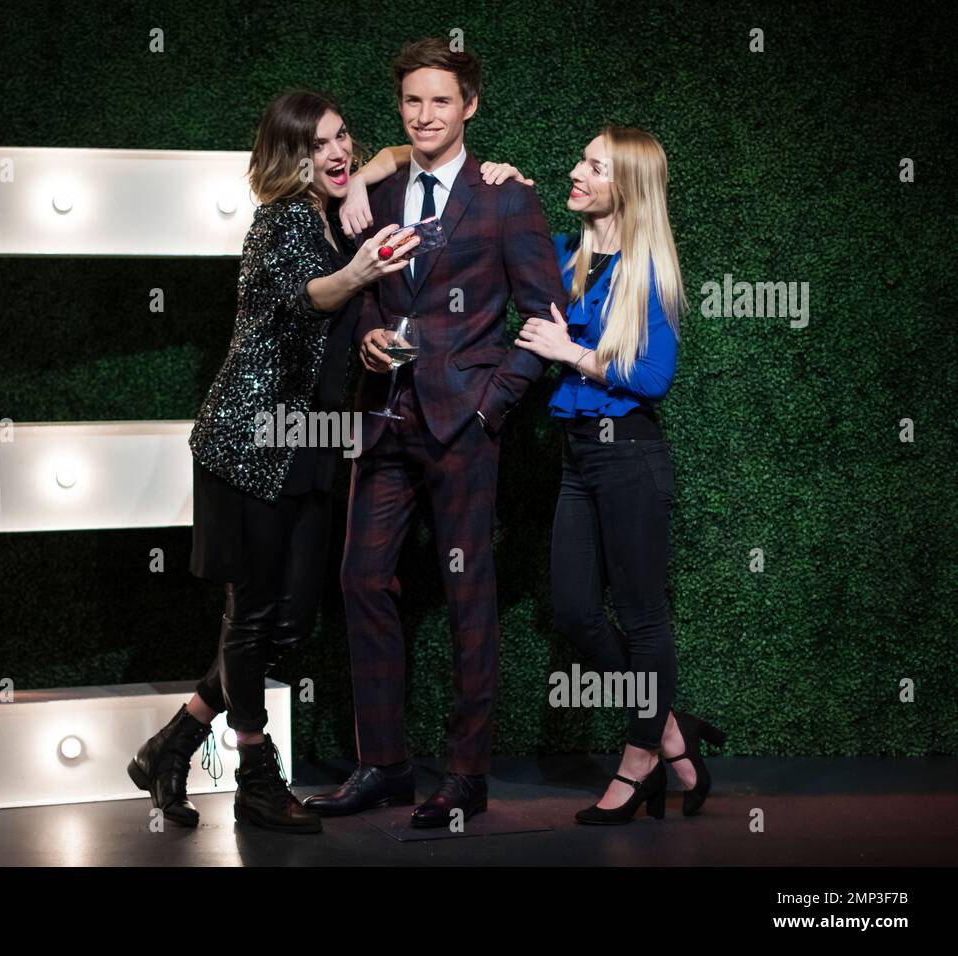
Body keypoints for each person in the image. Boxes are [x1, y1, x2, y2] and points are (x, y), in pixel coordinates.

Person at [126, 90, 419, 834]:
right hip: (251, 441)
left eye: (343, 136)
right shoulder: (281, 221)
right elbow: (303, 300)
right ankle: (257, 774)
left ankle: (172, 743)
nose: (339, 152)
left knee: (289, 624)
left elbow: (391, 155)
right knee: (252, 616)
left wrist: (462, 164)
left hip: (311, 443)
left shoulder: (332, 206)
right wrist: (361, 272)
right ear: (290, 157)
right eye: (319, 144)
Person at [302, 38, 567, 828]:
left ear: (470, 107)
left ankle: (465, 773)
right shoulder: (375, 196)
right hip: (385, 417)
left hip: (464, 427)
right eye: (413, 101)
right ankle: (383, 765)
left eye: (441, 101)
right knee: (358, 579)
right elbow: (362, 298)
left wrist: (492, 407)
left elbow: (545, 320)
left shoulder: (505, 197)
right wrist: (366, 341)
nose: (425, 115)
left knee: (467, 598)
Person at [507, 125, 726, 823]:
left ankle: (637, 766)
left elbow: (653, 376)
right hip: (577, 456)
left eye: (594, 166)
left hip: (630, 457)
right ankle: (670, 734)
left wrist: (569, 352)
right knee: (572, 610)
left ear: (624, 185)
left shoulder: (648, 267)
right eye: (581, 159)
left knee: (641, 617)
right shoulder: (567, 257)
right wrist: (509, 188)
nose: (576, 170)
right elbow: (511, 247)